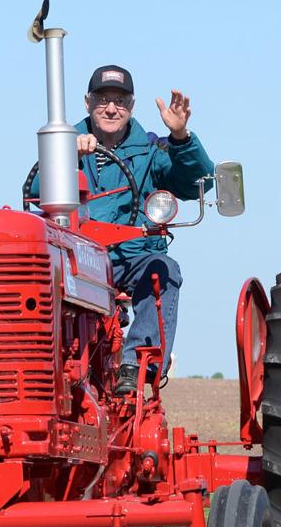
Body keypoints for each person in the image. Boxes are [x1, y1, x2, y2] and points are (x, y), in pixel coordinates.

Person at [32, 64, 215, 395]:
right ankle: (39, 371)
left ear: (131, 106)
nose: (111, 108)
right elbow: (38, 193)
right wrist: (64, 154)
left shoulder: (152, 150)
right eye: (103, 99)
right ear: (87, 103)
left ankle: (136, 363)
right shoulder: (64, 145)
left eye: (120, 100)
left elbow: (196, 184)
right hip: (78, 259)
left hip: (132, 258)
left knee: (164, 270)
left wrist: (180, 137)